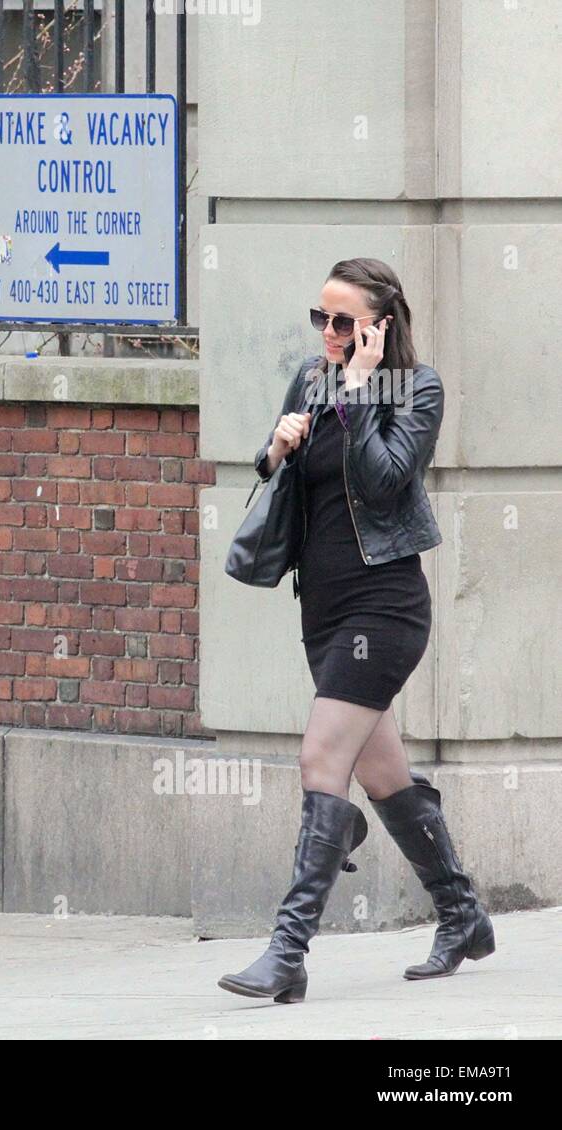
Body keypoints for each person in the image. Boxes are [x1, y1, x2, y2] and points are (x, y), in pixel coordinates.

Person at [218, 259, 494, 1003]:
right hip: (324, 609)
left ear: (382, 324)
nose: (331, 334)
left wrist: (359, 392)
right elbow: (278, 475)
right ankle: (463, 913)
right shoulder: (312, 378)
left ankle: (288, 952)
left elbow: (381, 479)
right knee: (382, 777)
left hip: (386, 607)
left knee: (320, 758)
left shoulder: (416, 391)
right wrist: (274, 448)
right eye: (322, 319)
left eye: (345, 322)